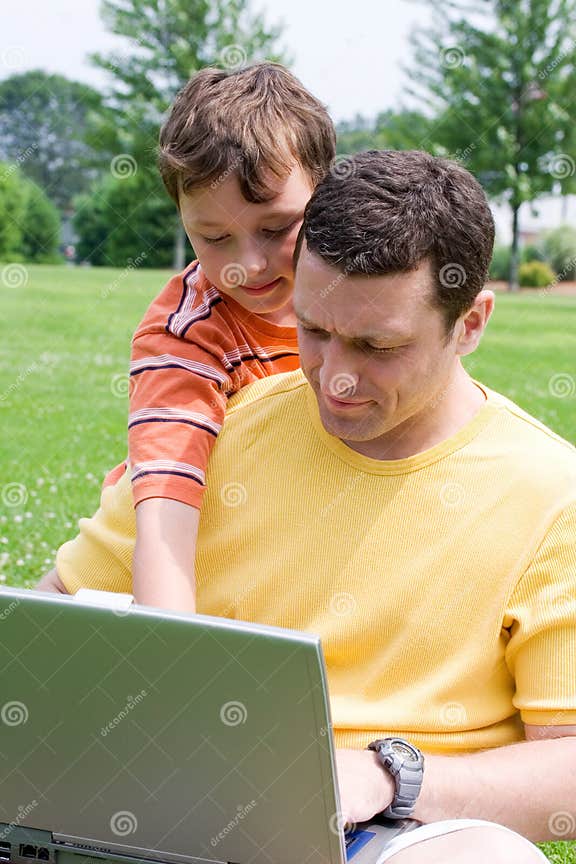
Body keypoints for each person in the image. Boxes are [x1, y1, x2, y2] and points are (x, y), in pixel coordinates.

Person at [39, 150, 576, 863]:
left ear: (470, 323)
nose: (337, 379)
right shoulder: (221, 435)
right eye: (314, 332)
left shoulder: (550, 494)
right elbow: (48, 622)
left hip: (401, 834)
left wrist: (388, 775)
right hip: (175, 813)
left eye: (377, 345)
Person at [105, 62, 335, 613]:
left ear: (327, 193)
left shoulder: (359, 290)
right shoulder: (188, 334)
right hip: (177, 555)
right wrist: (166, 650)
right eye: (212, 237)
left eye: (277, 229)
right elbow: (166, 508)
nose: (246, 265)